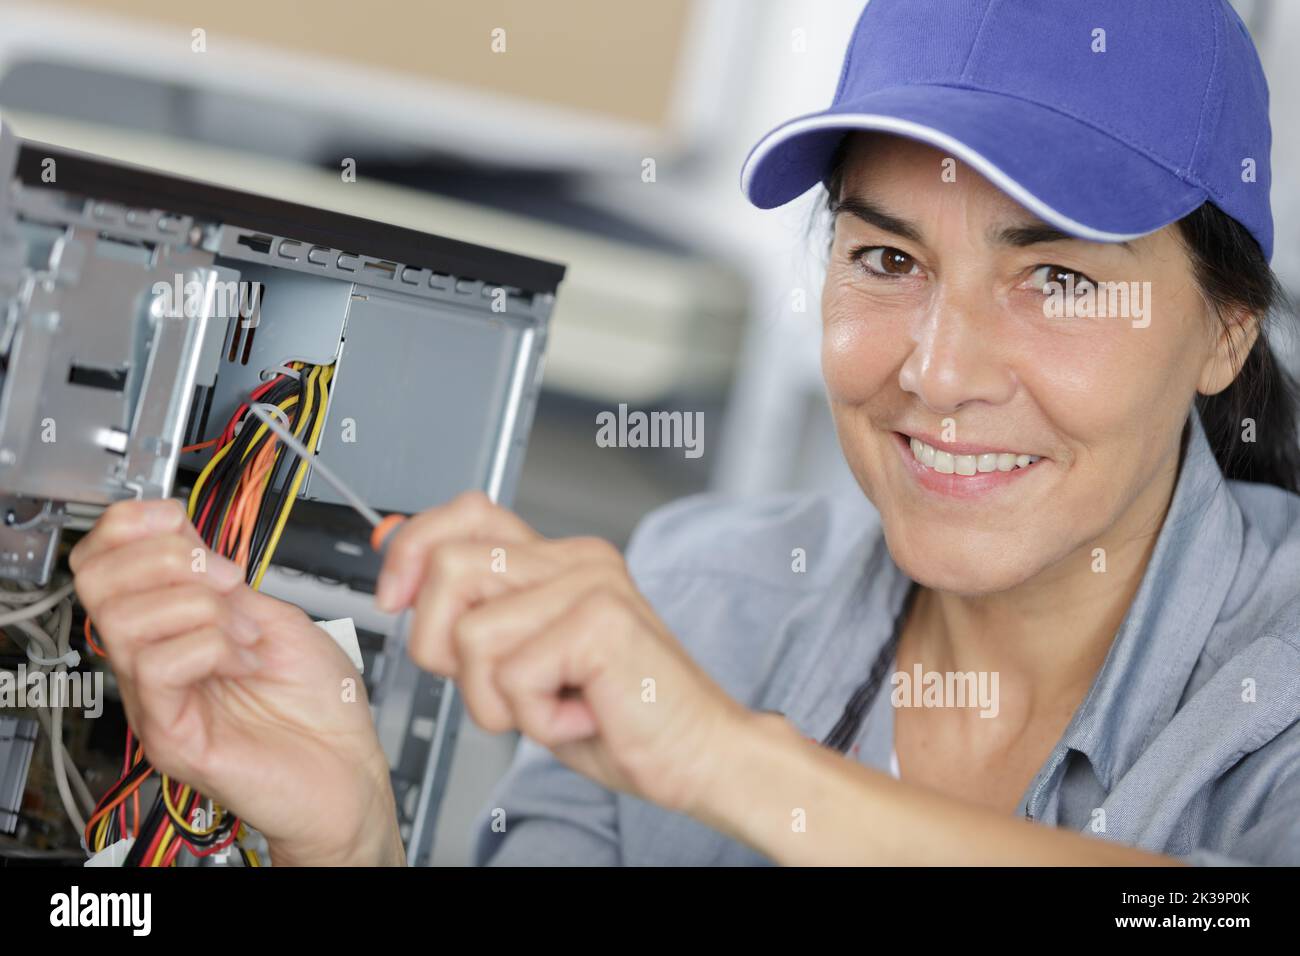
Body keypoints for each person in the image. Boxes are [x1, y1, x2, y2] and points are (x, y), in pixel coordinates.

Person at [72, 0, 1300, 865]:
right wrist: (349, 839)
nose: (936, 369)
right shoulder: (700, 597)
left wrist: (720, 757)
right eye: (885, 257)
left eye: (1060, 280)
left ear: (1224, 330)